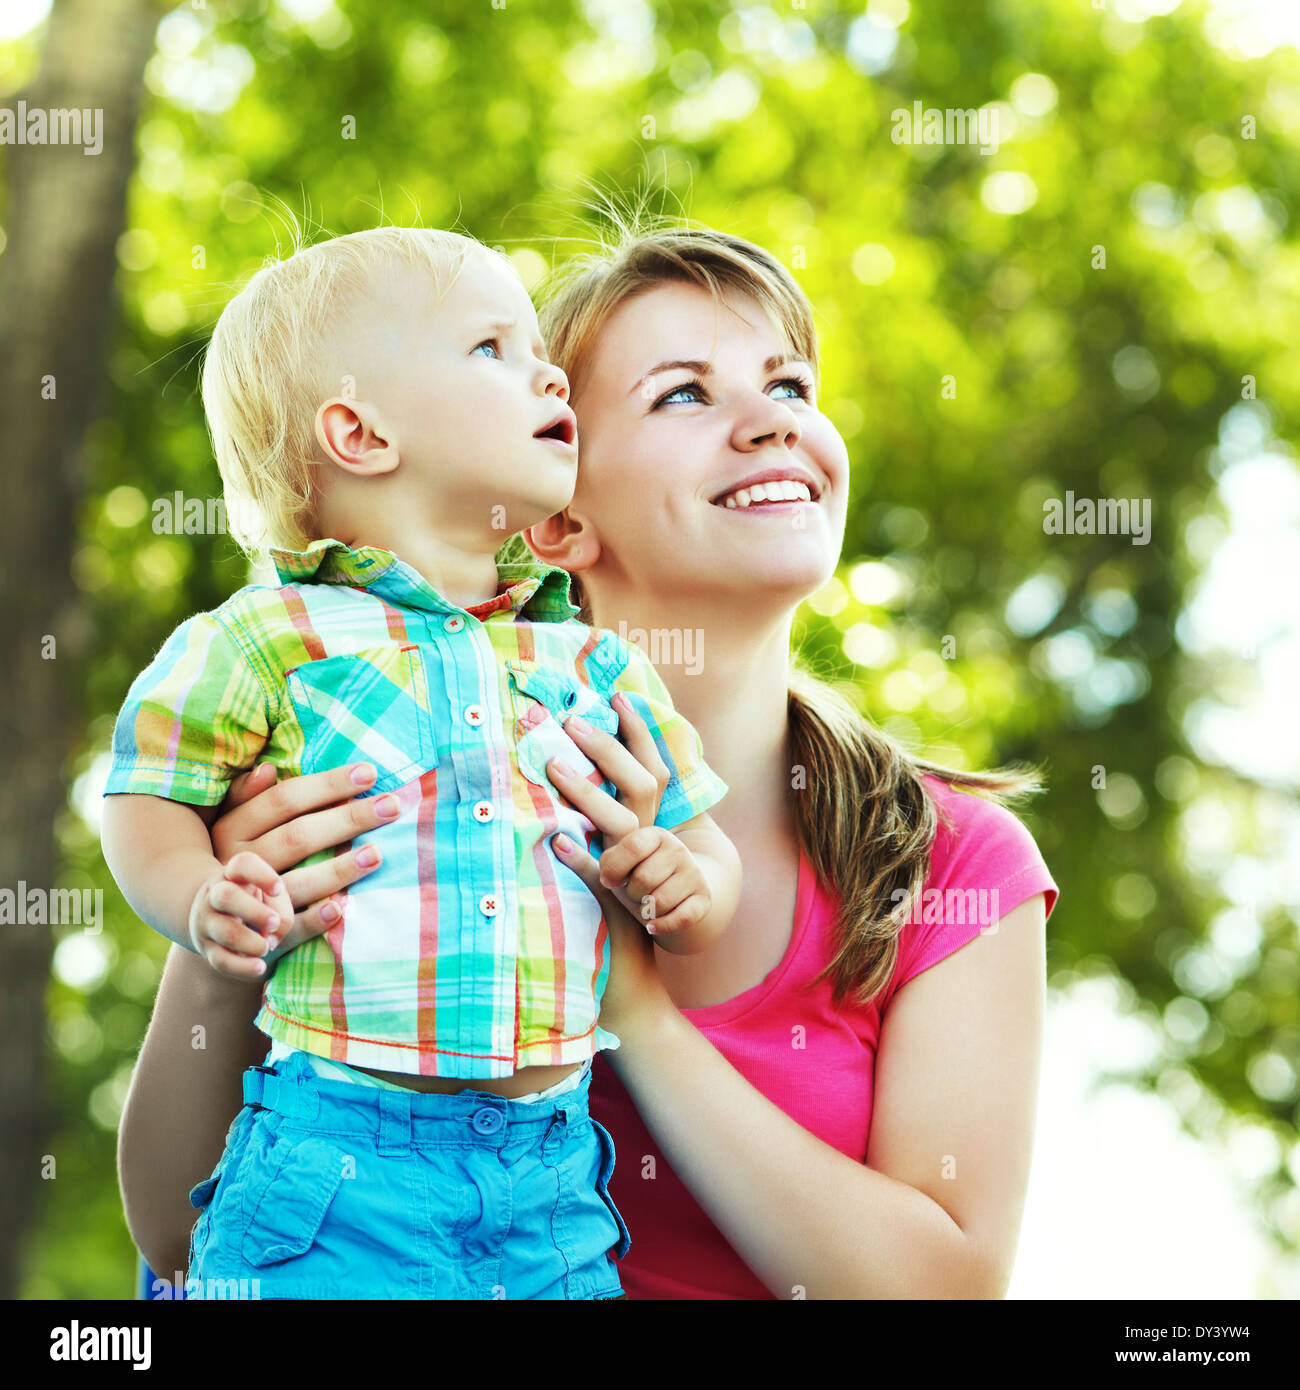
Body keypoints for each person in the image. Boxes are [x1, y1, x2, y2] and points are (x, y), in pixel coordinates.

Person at [117, 213, 1058, 1300]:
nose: (770, 425)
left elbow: (942, 1293)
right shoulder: (352, 743)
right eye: (685, 394)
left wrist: (641, 1015)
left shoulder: (948, 863)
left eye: (790, 386)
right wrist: (227, 933)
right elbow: (181, 1240)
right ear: (558, 515)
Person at [101, 225, 741, 1300]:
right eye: (493, 348)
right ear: (358, 432)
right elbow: (145, 795)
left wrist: (695, 887)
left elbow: (698, 841)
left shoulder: (594, 660)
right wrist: (199, 897)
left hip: (545, 1175)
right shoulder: (269, 637)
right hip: (333, 1158)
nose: (547, 373)